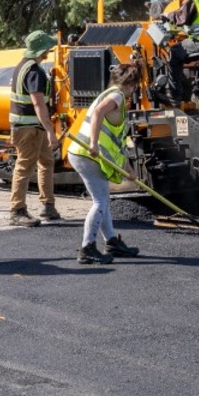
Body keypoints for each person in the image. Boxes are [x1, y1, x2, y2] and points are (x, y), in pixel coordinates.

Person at [67, 63, 143, 265]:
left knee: (103, 200)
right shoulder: (117, 96)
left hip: (84, 155)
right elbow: (99, 113)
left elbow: (116, 141)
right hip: (86, 154)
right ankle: (87, 248)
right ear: (133, 84)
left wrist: (129, 170)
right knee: (100, 201)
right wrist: (93, 144)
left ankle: (111, 242)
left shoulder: (112, 94)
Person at [9, 29, 61, 226]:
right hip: (28, 128)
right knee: (24, 166)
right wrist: (51, 131)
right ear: (42, 50)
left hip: (31, 126)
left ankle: (48, 206)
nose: (50, 50)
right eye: (48, 47)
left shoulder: (23, 66)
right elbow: (38, 104)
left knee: (46, 162)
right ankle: (17, 210)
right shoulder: (34, 71)